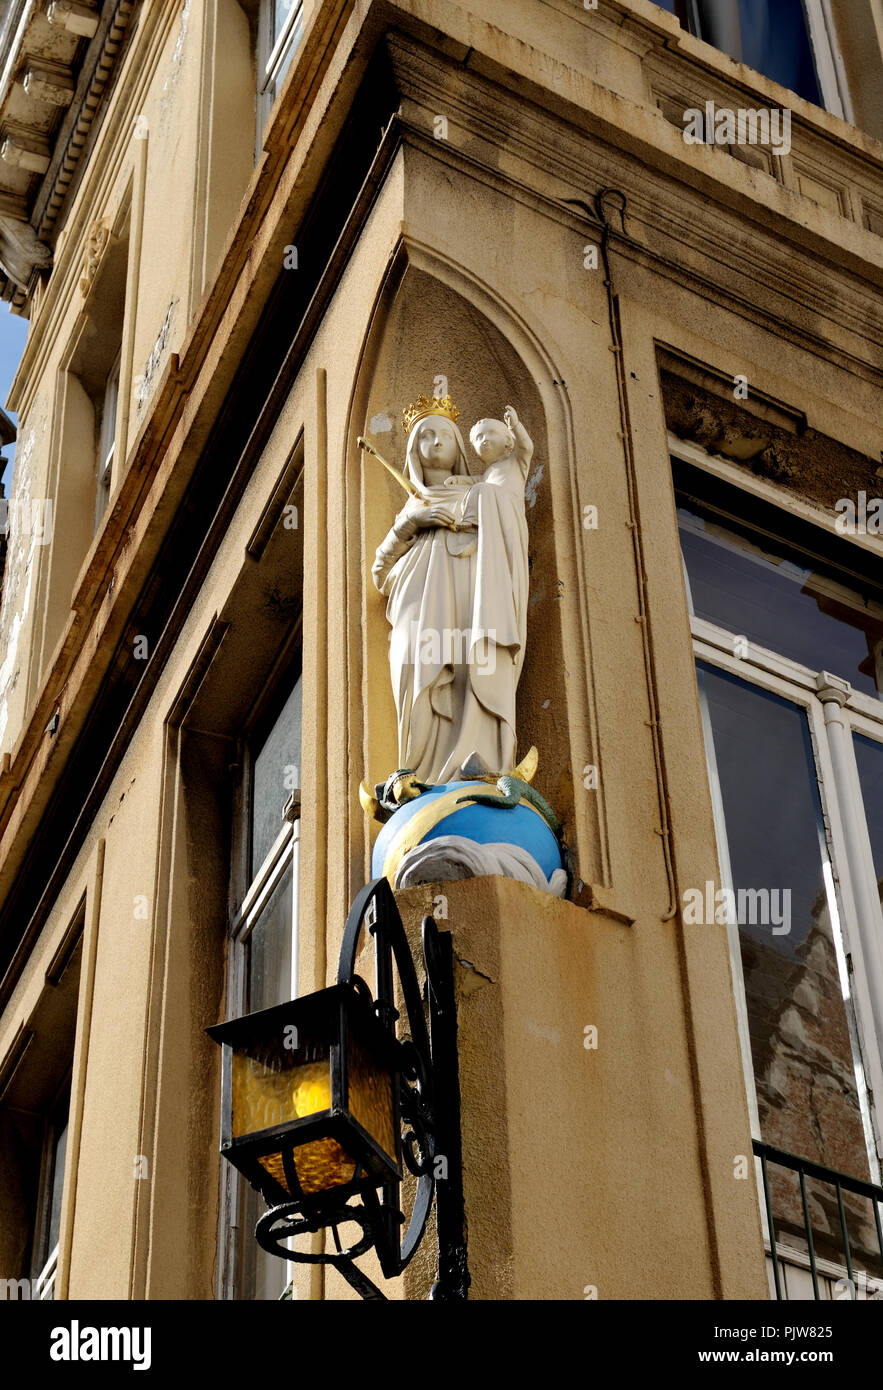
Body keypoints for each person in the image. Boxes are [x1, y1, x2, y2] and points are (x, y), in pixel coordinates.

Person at [371, 401, 533, 784]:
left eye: (445, 435)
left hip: (470, 595)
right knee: (418, 668)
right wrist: (412, 523)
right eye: (425, 436)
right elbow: (380, 571)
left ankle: (476, 761)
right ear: (414, 451)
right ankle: (420, 771)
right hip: (420, 601)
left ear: (459, 447)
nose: (436, 442)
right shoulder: (412, 509)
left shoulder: (482, 490)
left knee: (474, 664)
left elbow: (512, 487)